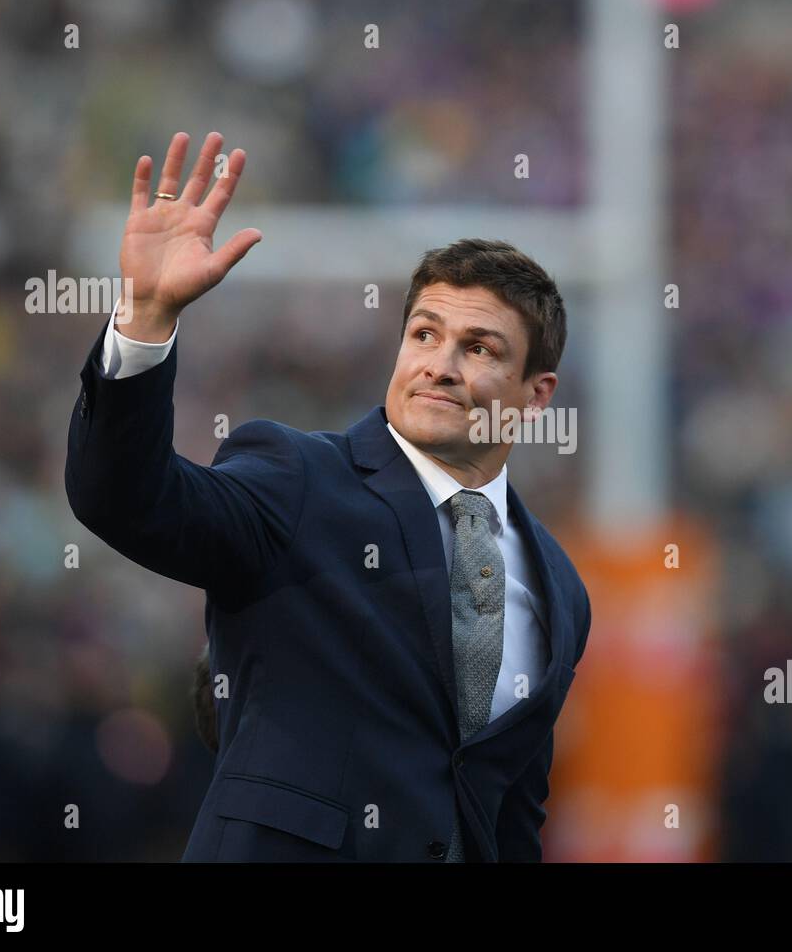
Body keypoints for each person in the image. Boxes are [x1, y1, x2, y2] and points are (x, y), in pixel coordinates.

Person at [65, 131, 590, 862]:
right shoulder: (298, 477)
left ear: (536, 397)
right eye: (424, 333)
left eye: (479, 348)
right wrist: (146, 320)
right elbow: (126, 499)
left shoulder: (561, 586)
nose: (439, 365)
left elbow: (508, 819)